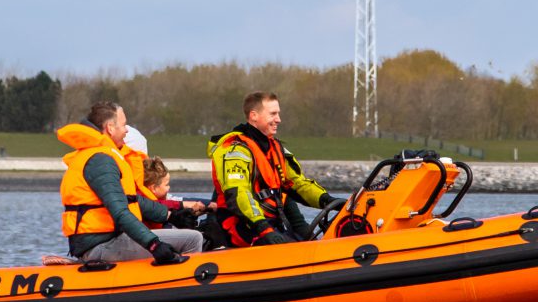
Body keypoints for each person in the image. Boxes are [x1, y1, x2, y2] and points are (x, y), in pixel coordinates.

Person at [57, 102, 205, 266]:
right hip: (100, 246)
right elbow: (120, 213)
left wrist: (171, 215)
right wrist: (154, 244)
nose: (127, 130)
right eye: (124, 125)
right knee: (193, 239)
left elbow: (131, 200)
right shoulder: (100, 161)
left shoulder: (99, 156)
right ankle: (181, 287)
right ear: (110, 128)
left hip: (105, 240)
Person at [207, 90, 336, 247]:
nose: (279, 120)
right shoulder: (235, 150)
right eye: (273, 114)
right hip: (245, 226)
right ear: (254, 116)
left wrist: (327, 200)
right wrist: (262, 227)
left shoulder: (274, 148)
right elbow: (239, 195)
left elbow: (297, 183)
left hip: (272, 223)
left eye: (278, 114)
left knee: (309, 243)